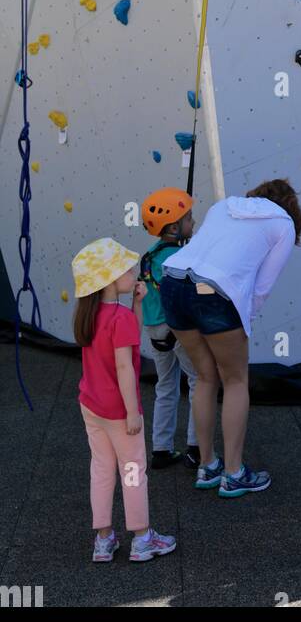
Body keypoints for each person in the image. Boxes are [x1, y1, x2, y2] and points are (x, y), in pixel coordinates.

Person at [158, 181, 301, 498]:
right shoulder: (284, 225)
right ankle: (234, 473)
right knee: (235, 379)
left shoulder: (223, 206)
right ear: (290, 205)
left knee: (205, 376)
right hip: (215, 293)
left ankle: (208, 465)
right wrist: (242, 323)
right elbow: (261, 288)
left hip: (171, 281)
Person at [72, 237, 176, 562]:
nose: (134, 273)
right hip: (119, 412)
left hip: (91, 406)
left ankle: (103, 540)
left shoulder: (90, 315)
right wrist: (133, 412)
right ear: (109, 279)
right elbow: (124, 368)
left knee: (102, 468)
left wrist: (138, 304)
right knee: (132, 470)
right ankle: (142, 537)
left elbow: (128, 340)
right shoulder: (118, 319)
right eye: (127, 269)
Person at [139, 187, 199, 471]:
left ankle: (161, 448)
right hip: (177, 328)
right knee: (199, 381)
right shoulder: (177, 259)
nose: (193, 222)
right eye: (189, 219)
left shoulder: (151, 255)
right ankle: (197, 448)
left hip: (154, 330)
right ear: (174, 227)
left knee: (166, 385)